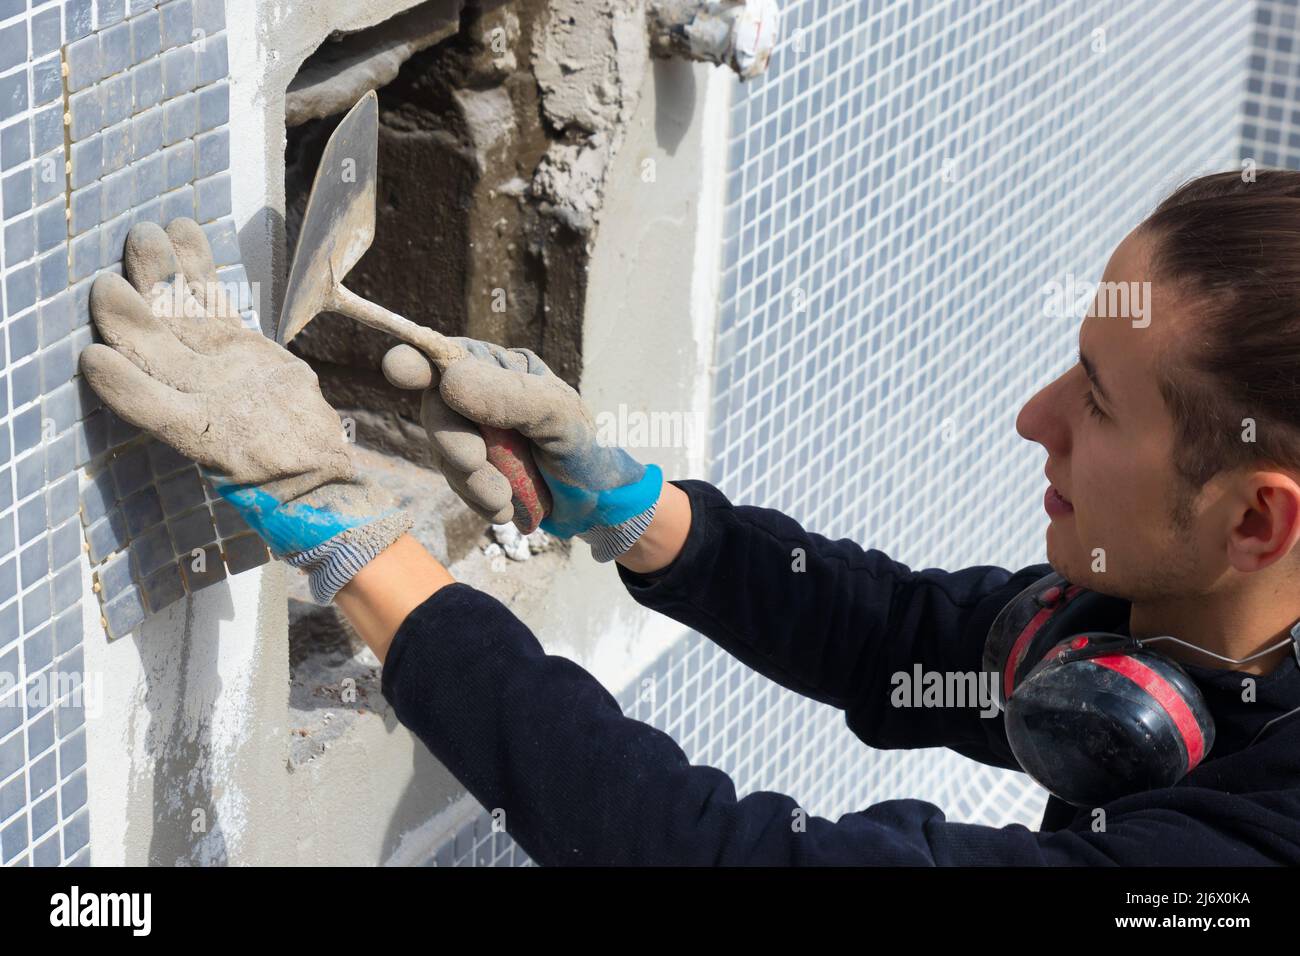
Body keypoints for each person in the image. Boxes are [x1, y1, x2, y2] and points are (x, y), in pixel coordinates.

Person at [78, 169, 1300, 865]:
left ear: (1255, 522)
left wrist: (343, 528)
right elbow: (910, 637)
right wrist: (628, 505)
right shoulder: (1171, 615)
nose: (1033, 418)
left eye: (1092, 401)